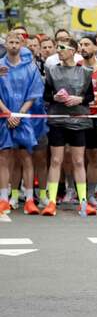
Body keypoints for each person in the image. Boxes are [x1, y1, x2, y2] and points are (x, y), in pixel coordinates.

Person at [41, 38, 97, 217]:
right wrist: (55, 97)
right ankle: (51, 202)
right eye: (58, 47)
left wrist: (79, 99)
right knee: (56, 160)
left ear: (73, 50)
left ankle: (83, 201)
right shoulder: (52, 70)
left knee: (79, 161)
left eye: (62, 47)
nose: (59, 50)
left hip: (78, 120)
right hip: (57, 119)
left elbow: (90, 97)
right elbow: (46, 95)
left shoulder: (85, 72)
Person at [0, 32, 43, 215]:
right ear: (6, 44)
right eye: (11, 42)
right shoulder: (0, 66)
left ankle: (30, 200)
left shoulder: (31, 67)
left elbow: (34, 94)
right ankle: (3, 199)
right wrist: (7, 113)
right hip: (3, 117)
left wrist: (19, 114)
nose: (14, 45)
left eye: (17, 42)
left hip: (24, 118)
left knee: (26, 157)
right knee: (4, 157)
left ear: (22, 43)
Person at [79, 34, 97, 209]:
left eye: (87, 44)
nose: (83, 47)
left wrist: (93, 96)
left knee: (96, 157)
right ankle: (76, 191)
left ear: (95, 47)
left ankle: (90, 194)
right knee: (76, 158)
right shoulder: (76, 68)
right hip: (80, 116)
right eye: (81, 44)